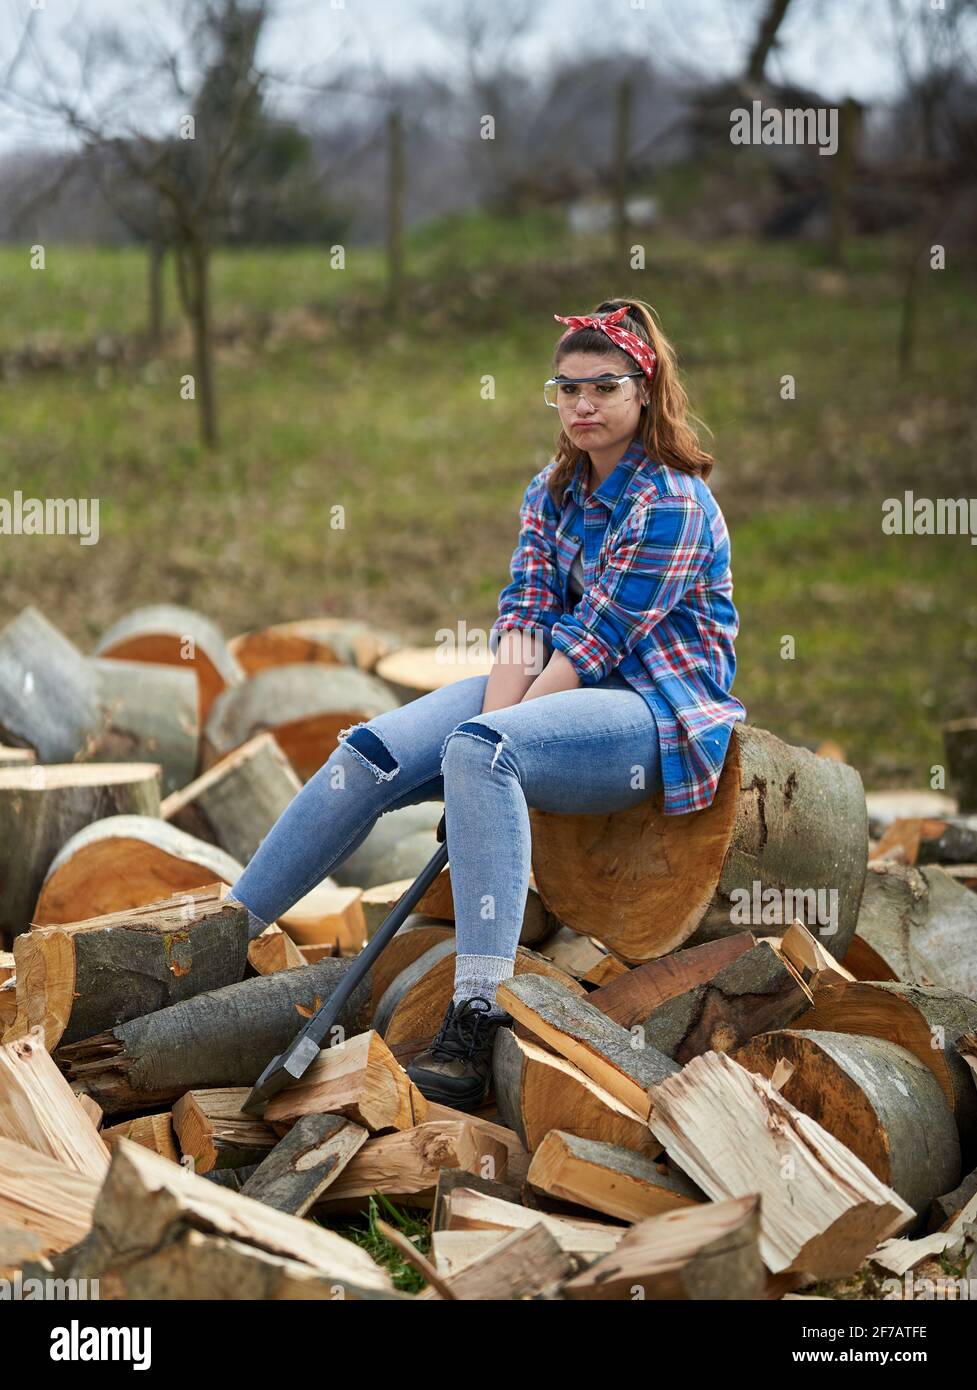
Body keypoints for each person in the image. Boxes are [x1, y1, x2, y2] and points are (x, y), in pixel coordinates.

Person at [228, 297, 746, 1111]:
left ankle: (475, 1024)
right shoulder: (552, 492)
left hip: (654, 714)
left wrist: (486, 749)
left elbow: (589, 645)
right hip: (556, 687)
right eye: (565, 388)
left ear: (643, 391)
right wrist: (487, 735)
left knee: (481, 752)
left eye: (601, 388)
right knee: (370, 751)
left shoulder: (672, 504)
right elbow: (524, 624)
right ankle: (224, 930)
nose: (580, 405)